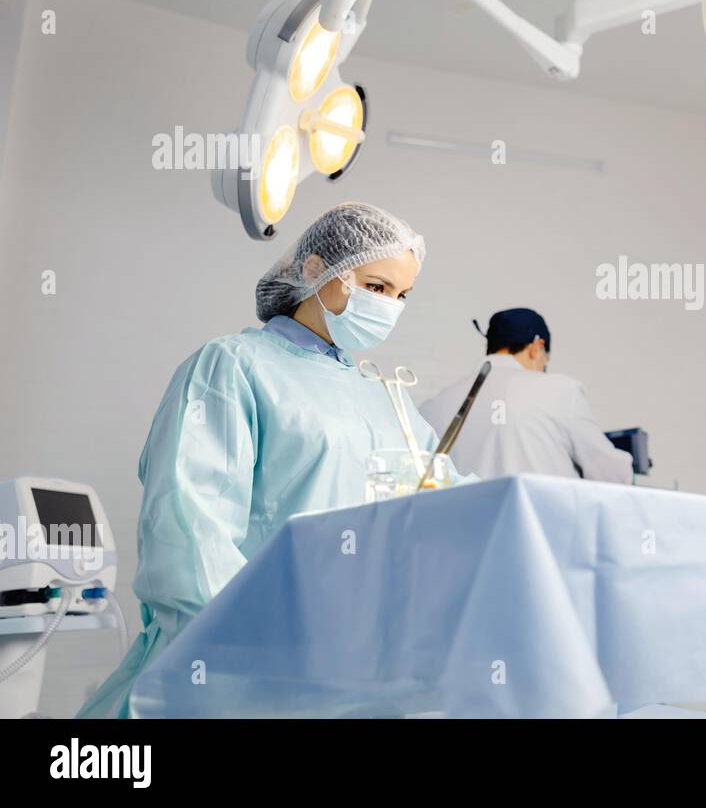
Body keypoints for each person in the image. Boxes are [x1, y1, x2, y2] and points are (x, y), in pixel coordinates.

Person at [79, 202, 470, 718]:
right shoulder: (233, 366)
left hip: (353, 674)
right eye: (376, 287)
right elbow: (190, 535)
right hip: (240, 671)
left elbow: (455, 501)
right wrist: (257, 648)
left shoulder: (382, 395)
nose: (390, 307)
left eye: (401, 295)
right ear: (315, 270)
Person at [420, 308, 632, 483]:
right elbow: (610, 475)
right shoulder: (561, 391)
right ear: (536, 348)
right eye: (544, 362)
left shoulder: (433, 407)